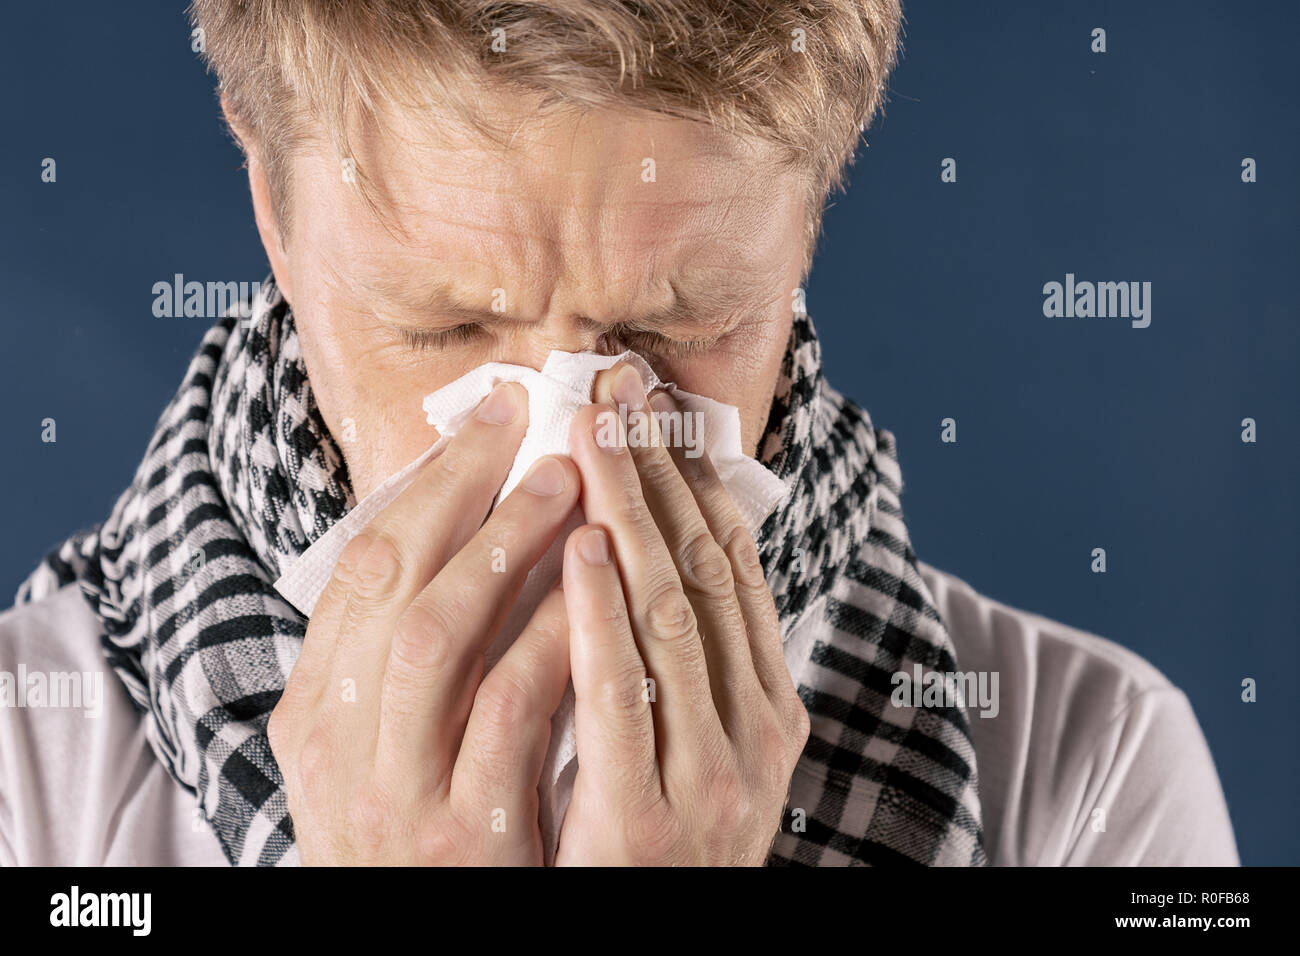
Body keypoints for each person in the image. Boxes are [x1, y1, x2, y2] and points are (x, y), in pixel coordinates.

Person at [0, 0, 1237, 866]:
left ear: (806, 219)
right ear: (273, 201)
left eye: (670, 330)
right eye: (444, 326)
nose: (562, 452)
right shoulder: (25, 780)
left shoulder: (1090, 776)